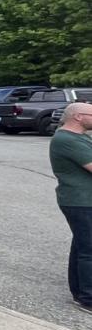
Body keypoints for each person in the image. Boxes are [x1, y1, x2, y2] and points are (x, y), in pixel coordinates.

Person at [49, 102, 92, 313]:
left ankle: (78, 291)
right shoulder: (66, 139)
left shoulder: (81, 137)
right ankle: (87, 297)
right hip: (80, 201)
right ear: (78, 117)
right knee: (88, 250)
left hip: (84, 200)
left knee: (82, 246)